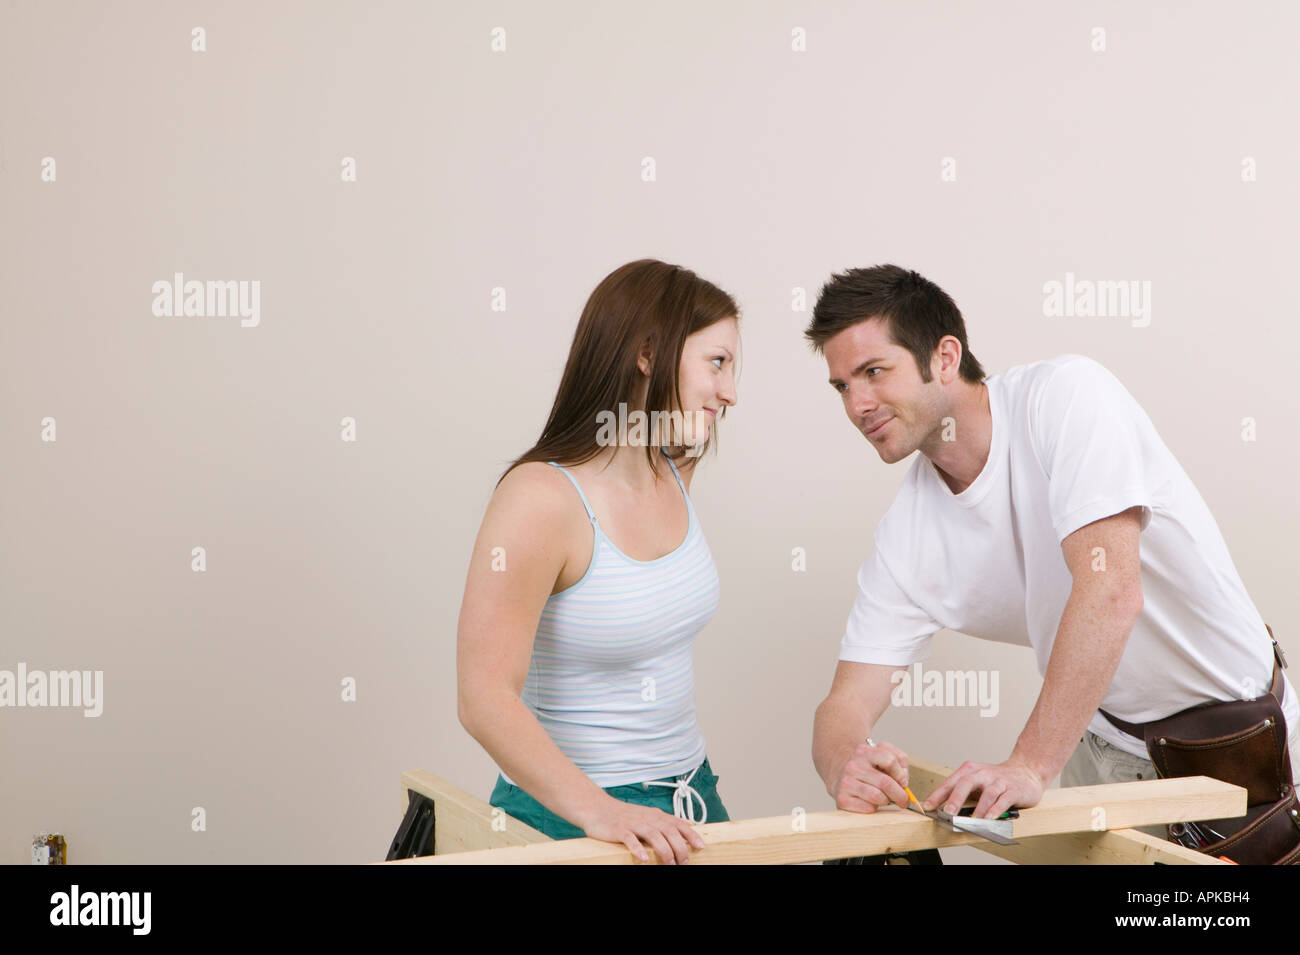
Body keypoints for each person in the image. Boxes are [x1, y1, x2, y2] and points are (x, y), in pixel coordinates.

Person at [807, 264, 1298, 846]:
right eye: (842, 386)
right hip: (1099, 748)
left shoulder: (1066, 398)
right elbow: (845, 704)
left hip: (1237, 749)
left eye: (873, 372)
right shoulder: (907, 536)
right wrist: (844, 762)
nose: (857, 404)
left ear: (943, 357)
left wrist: (1028, 765)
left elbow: (1111, 591)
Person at [456, 258, 740, 865]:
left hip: (690, 802)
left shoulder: (674, 468)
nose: (730, 392)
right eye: (716, 363)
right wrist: (600, 812)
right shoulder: (539, 499)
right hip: (574, 818)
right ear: (646, 352)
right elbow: (484, 697)